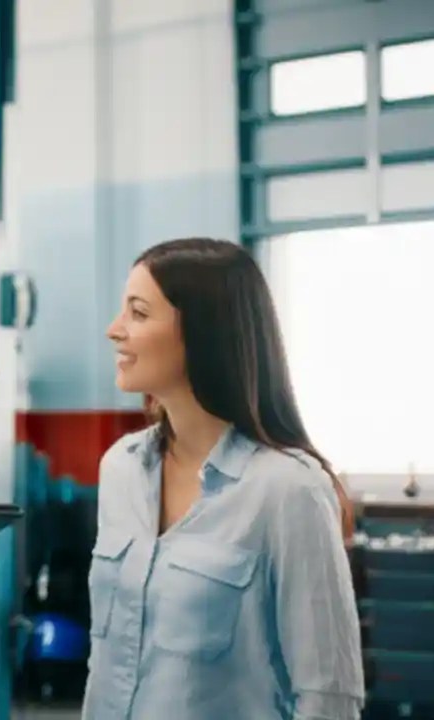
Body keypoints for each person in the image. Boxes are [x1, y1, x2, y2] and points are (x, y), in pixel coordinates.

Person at [83, 237, 365, 720]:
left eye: (139, 313)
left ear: (203, 331)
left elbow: (328, 698)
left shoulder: (287, 491)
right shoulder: (121, 469)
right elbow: (106, 664)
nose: (115, 330)